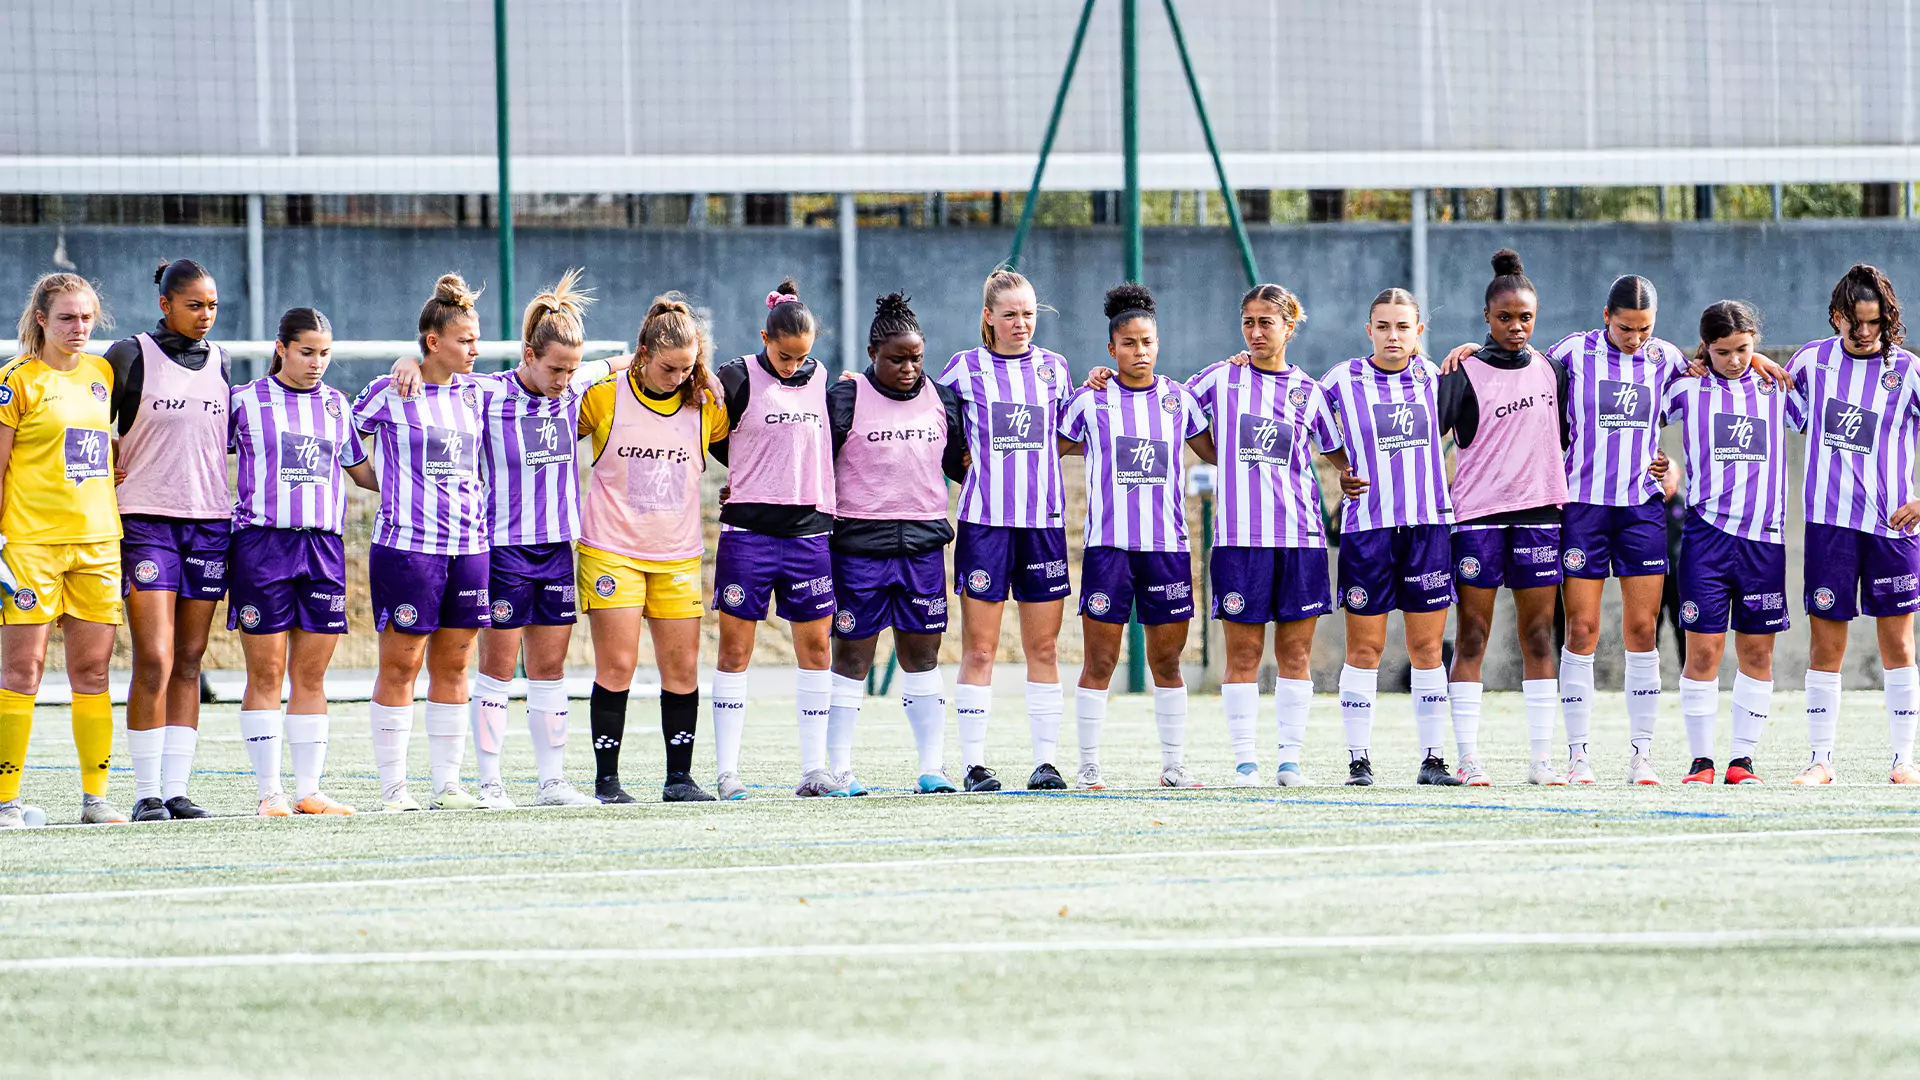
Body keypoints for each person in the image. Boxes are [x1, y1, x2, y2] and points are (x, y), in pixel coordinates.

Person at [1105, 284, 1351, 785]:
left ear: (1290, 326)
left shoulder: (1309, 391)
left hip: (1301, 539)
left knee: (1296, 656)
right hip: (1239, 538)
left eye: (1267, 322)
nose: (1256, 332)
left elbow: (1337, 452)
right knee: (1242, 657)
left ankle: (1289, 761)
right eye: (1248, 322)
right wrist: (1105, 379)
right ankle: (1245, 762)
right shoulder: (1221, 379)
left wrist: (1350, 476)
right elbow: (1157, 395)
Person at [1058, 284, 1211, 788]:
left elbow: (1216, 449)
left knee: (1167, 661)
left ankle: (1173, 765)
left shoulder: (1179, 400)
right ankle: (1088, 766)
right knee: (1100, 661)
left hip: (1167, 548)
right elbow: (1048, 449)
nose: (1138, 352)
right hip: (1109, 549)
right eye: (1128, 344)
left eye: (1146, 342)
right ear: (1111, 349)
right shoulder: (1089, 402)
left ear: (1158, 344)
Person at [577, 294, 728, 803]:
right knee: (617, 666)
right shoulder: (603, 397)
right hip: (611, 551)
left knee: (682, 670)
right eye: (668, 368)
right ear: (642, 353)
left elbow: (742, 450)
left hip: (678, 556)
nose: (679, 377)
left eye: (688, 368)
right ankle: (607, 781)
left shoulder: (705, 404)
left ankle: (680, 779)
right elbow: (544, 424)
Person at [229, 308, 378, 815]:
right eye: (307, 352)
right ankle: (269, 791)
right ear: (282, 348)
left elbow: (363, 474)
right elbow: (198, 453)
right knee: (267, 674)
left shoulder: (338, 406)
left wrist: (432, 482)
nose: (317, 363)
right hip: (263, 545)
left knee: (311, 676)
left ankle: (308, 790)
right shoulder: (245, 402)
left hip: (323, 548)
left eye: (325, 353)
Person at [352, 273, 491, 812]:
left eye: (476, 340)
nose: (475, 349)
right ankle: (395, 788)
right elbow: (343, 428)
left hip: (470, 548)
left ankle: (448, 785)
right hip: (409, 547)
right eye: (465, 340)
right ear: (434, 342)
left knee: (455, 668)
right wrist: (369, 477)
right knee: (401, 665)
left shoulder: (478, 393)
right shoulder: (391, 390)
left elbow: (546, 378)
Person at [1436, 250, 1571, 787]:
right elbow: (1426, 445)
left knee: (1539, 637)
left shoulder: (1554, 371)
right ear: (1486, 317)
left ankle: (1542, 760)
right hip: (1478, 520)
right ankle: (1469, 758)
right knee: (1472, 637)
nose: (1516, 327)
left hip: (1540, 516)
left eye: (1526, 318)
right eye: (1505, 318)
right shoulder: (1461, 371)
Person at [937, 268, 1075, 792]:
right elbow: (934, 426)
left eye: (1029, 314)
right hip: (984, 525)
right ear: (988, 318)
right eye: (1011, 314)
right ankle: (974, 765)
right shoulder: (962, 370)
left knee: (1043, 649)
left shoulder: (1056, 370)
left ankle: (1046, 763)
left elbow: (1075, 430)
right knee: (980, 650)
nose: (1022, 324)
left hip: (1042, 525)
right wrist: (956, 460)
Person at [103, 259, 231, 821]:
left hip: (209, 522)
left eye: (212, 305)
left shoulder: (223, 363)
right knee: (153, 657)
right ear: (165, 305)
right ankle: (145, 792)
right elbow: (88, 425)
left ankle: (177, 790)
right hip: (146, 523)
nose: (205, 315)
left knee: (189, 658)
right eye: (194, 304)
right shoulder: (128, 357)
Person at [826, 293, 969, 794]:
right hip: (858, 549)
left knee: (923, 658)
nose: (908, 368)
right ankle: (839, 768)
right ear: (872, 352)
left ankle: (932, 768)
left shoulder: (944, 399)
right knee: (852, 659)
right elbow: (816, 464)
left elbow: (957, 464)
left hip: (923, 549)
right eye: (896, 359)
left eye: (916, 358)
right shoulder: (845, 397)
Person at [1320, 289, 1461, 786]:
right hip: (1368, 529)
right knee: (1366, 649)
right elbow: (1300, 414)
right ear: (1369, 330)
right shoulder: (1341, 379)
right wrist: (1341, 466)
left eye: (1403, 327)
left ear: (1418, 332)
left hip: (1427, 527)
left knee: (1427, 649)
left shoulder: (1439, 376)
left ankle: (1433, 758)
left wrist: (1471, 349)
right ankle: (1359, 760)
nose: (1393, 336)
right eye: (1383, 326)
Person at [0, 274, 125, 827]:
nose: (79, 328)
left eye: (87, 317)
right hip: (30, 545)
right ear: (43, 320)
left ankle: (96, 800)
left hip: (98, 542)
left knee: (93, 672)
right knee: (22, 671)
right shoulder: (15, 381)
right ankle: (5, 802)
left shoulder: (102, 374)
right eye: (68, 318)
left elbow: (94, 445)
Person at [708, 280, 840, 798]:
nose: (792, 365)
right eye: (784, 356)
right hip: (748, 534)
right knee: (736, 652)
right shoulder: (735, 377)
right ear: (765, 338)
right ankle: (727, 773)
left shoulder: (821, 375)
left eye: (801, 356)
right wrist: (743, 476)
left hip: (809, 534)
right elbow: (710, 436)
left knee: (816, 649)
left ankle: (814, 771)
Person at [1789, 265, 1920, 786]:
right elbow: (1768, 391)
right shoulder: (1811, 362)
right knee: (1827, 645)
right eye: (1855, 322)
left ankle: (1903, 760)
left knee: (1899, 644)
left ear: (1888, 319)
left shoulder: (1907, 370)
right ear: (1837, 317)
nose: (1865, 333)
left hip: (1893, 526)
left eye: (1876, 322)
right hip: (1830, 523)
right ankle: (1821, 759)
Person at [1664, 301, 1802, 786]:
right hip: (1705, 537)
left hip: (1763, 540)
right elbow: (1636, 418)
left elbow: (1819, 419)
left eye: (1744, 349)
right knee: (1702, 653)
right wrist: (1661, 463)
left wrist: (1769, 365)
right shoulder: (1687, 387)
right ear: (1706, 348)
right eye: (1723, 352)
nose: (1735, 360)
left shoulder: (1778, 389)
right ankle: (1701, 761)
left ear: (1755, 344)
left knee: (1757, 654)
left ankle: (1743, 760)